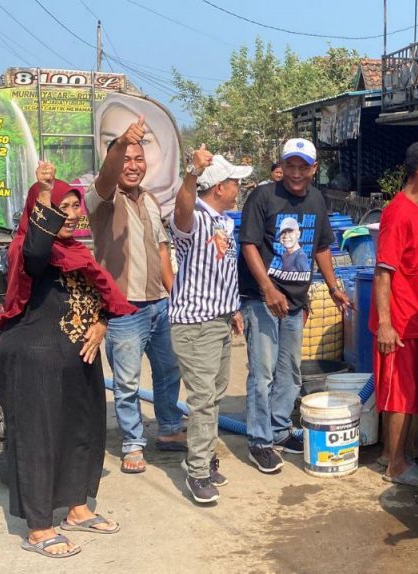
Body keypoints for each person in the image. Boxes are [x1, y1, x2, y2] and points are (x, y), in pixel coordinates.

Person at [0, 162, 138, 558]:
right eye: (65, 206)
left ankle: (76, 508)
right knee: (39, 439)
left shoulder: (77, 253)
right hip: (35, 357)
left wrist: (102, 324)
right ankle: (39, 527)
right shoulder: (29, 251)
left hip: (78, 355)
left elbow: (99, 298)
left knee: (85, 430)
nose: (73, 215)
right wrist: (44, 192)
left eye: (75, 207)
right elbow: (37, 248)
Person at [238, 137, 352, 473]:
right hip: (262, 299)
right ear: (282, 166)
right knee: (262, 373)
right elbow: (249, 246)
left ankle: (280, 430)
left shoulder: (317, 199)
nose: (297, 172)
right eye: (291, 165)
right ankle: (259, 441)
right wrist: (267, 289)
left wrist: (333, 287)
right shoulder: (263, 196)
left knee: (289, 372)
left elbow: (321, 248)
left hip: (296, 301)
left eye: (304, 166)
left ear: (314, 169)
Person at [86, 116, 184, 474]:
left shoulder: (151, 200)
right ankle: (132, 443)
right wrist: (121, 143)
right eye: (125, 159)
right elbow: (107, 176)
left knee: (168, 371)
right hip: (125, 308)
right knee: (127, 382)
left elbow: (162, 251)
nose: (132, 165)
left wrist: (176, 297)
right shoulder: (102, 199)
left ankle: (170, 429)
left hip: (160, 303)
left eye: (138, 159)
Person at [168, 145, 248, 503]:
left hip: (218, 320)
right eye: (234, 182)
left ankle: (204, 459)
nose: (238, 188)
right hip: (194, 324)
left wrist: (232, 309)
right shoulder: (195, 218)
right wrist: (191, 173)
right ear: (219, 188)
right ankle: (197, 472)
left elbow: (222, 270)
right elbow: (181, 212)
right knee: (202, 400)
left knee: (214, 396)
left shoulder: (224, 221)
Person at [372, 142, 418, 487]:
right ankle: (396, 465)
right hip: (398, 321)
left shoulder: (417, 211)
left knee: (405, 389)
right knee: (399, 391)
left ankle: (392, 453)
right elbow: (383, 271)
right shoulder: (398, 212)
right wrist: (385, 324)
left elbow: (416, 252)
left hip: (414, 318)